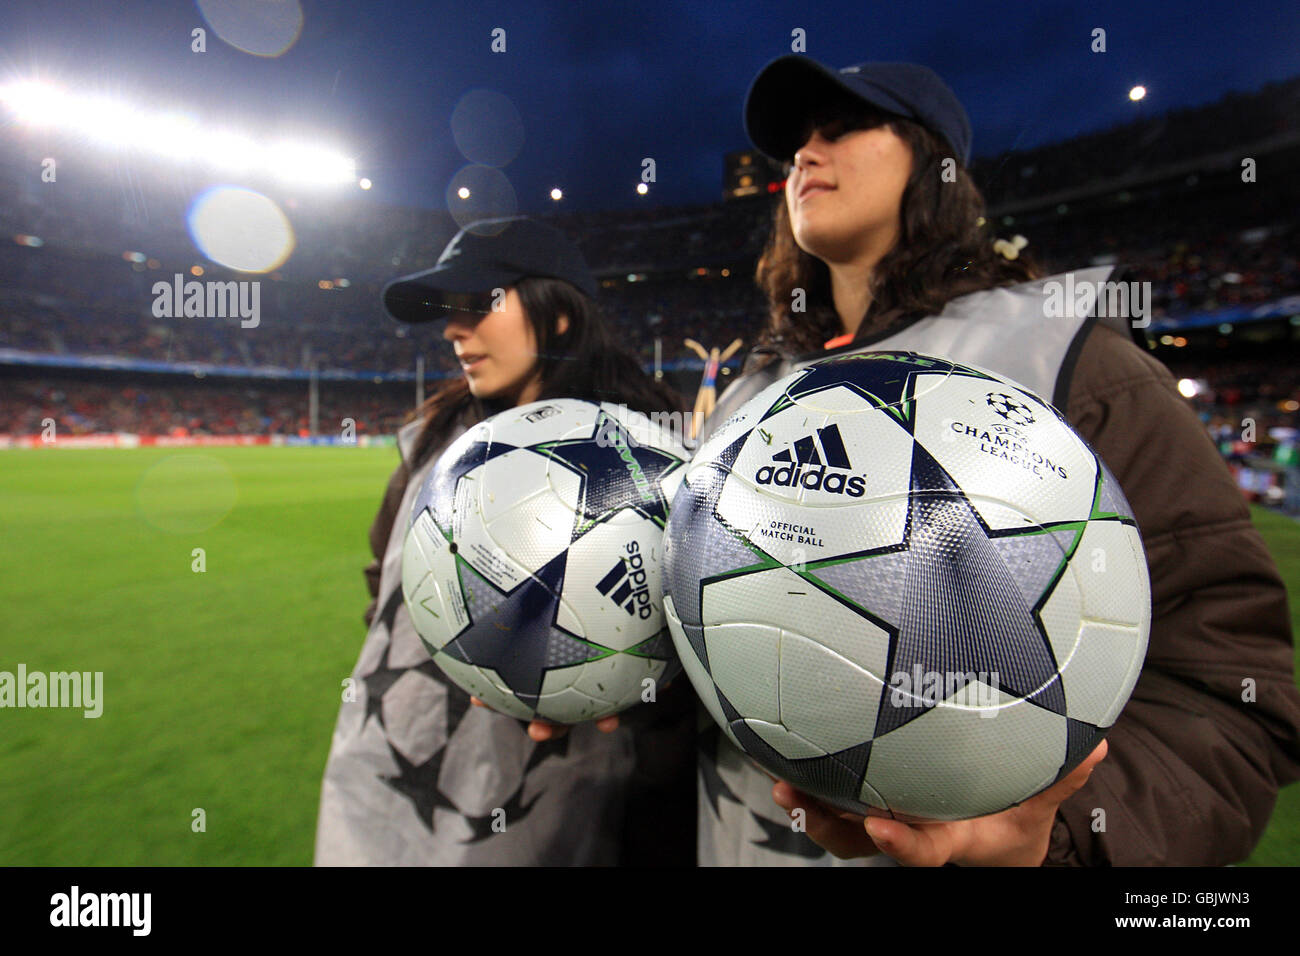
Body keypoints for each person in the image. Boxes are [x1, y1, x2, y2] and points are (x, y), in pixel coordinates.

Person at [692, 56, 1300, 866]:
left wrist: (1053, 842)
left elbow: (1231, 690)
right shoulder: (747, 398)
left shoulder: (1064, 354)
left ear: (933, 163)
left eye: (840, 128)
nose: (805, 153)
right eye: (797, 142)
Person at [315, 216, 697, 865]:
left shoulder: (649, 462)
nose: (454, 329)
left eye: (477, 304)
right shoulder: (433, 441)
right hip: (380, 778)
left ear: (560, 313)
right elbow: (384, 578)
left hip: (549, 807)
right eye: (448, 311)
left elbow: (691, 637)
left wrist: (631, 694)